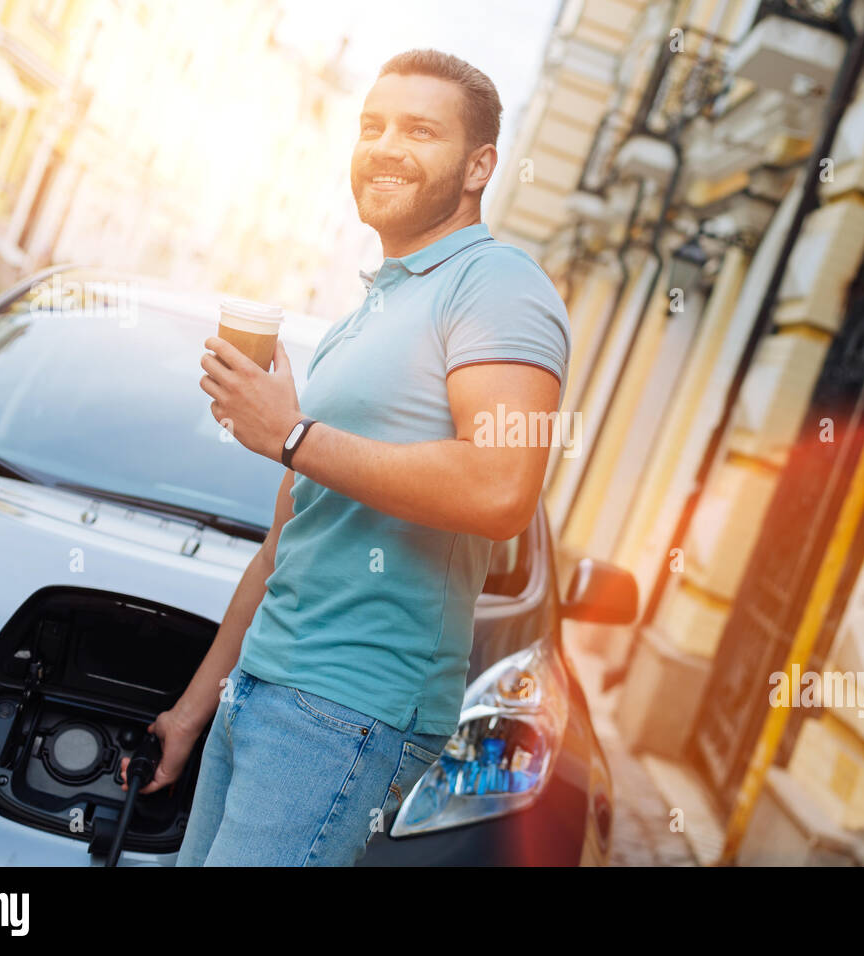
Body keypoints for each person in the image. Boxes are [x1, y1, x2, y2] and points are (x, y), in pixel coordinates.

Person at [120, 49, 571, 866]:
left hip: (347, 707)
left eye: (420, 130)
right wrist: (196, 708)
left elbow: (503, 487)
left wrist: (290, 434)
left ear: (480, 166)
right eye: (373, 126)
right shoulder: (372, 308)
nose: (387, 146)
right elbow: (285, 544)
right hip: (261, 689)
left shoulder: (499, 285)